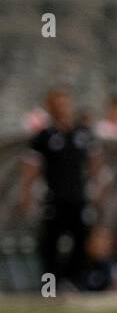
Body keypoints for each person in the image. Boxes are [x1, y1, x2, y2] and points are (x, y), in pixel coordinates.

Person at [19, 87, 103, 290]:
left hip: (79, 197)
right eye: (57, 103)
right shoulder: (43, 137)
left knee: (81, 241)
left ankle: (75, 283)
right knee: (50, 244)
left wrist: (98, 188)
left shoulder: (82, 133)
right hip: (54, 199)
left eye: (65, 102)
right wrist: (26, 194)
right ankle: (49, 287)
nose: (62, 107)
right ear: (49, 106)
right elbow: (31, 168)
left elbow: (95, 163)